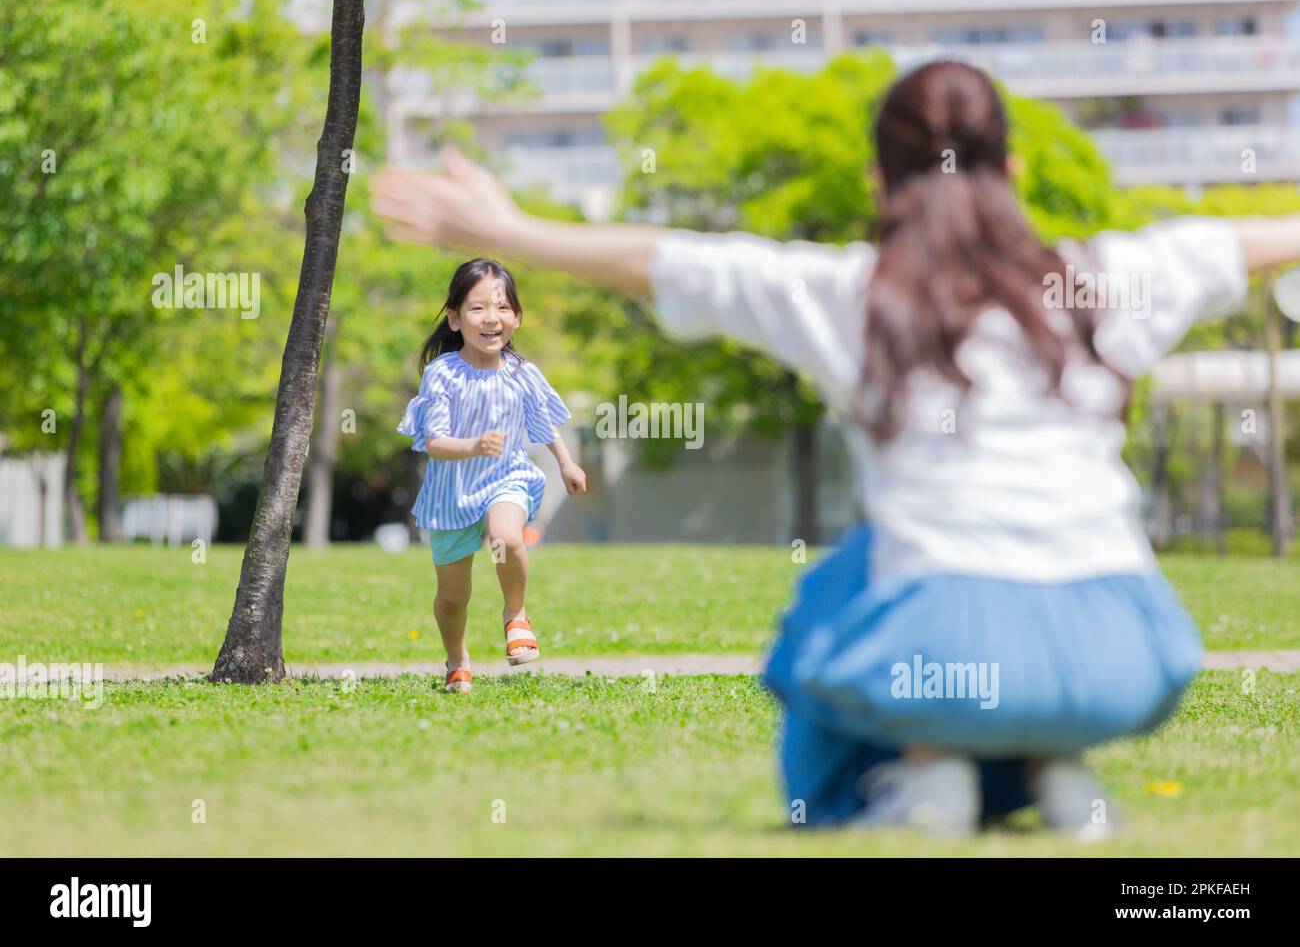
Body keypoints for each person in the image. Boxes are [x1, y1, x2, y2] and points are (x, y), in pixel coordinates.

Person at [374, 60, 1300, 834]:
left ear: (877, 183)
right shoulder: (1109, 280)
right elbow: (1253, 241)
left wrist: (508, 233)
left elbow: (674, 261)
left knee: (843, 585)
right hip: (1129, 656)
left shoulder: (853, 298)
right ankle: (1059, 774)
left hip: (933, 648)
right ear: (1014, 171)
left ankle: (931, 775)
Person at [397, 258, 587, 693]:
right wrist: (474, 445)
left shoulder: (522, 374)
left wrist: (565, 462)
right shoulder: (442, 373)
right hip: (452, 493)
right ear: (454, 319)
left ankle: (515, 615)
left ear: (516, 317)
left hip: (507, 478)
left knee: (505, 538)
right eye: (477, 308)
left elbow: (542, 422)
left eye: (502, 308)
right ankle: (457, 659)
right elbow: (434, 441)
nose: (491, 319)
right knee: (452, 597)